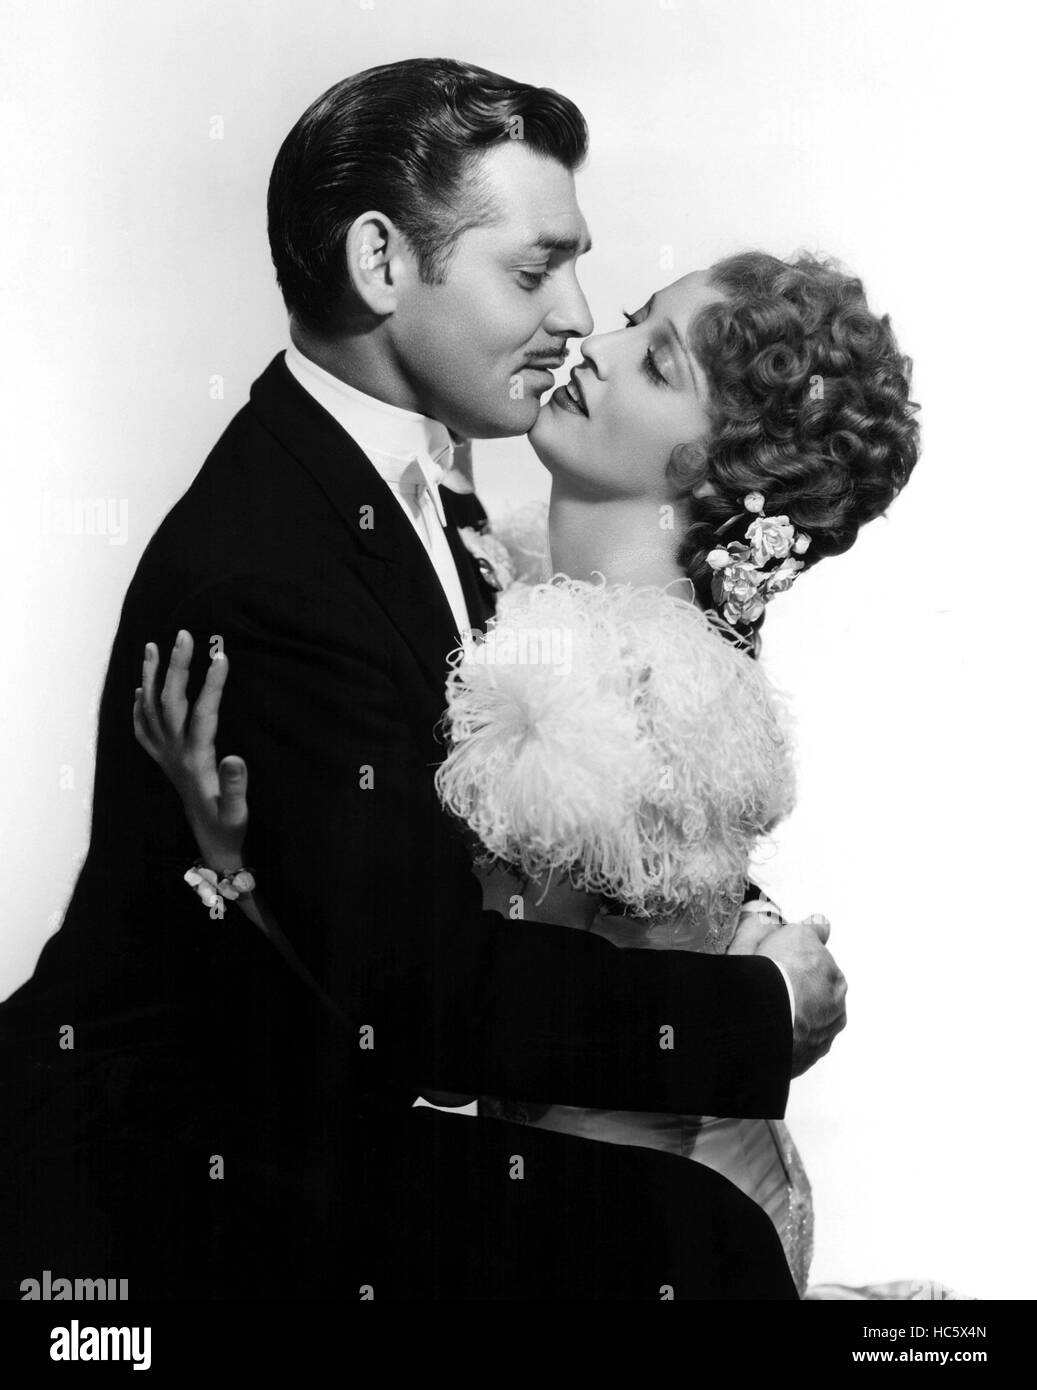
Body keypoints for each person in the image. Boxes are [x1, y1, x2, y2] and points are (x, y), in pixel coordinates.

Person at [0, 60, 845, 1301]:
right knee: (676, 1239)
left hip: (334, 1080)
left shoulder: (443, 491)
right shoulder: (266, 570)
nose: (576, 316)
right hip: (164, 1154)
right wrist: (756, 1013)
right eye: (530, 268)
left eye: (578, 268)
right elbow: (422, 993)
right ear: (382, 264)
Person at [134, 252, 917, 1296]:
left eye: (654, 363)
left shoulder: (623, 689)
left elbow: (436, 1011)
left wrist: (235, 863)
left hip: (616, 1231)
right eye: (634, 320)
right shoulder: (531, 609)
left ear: (727, 476)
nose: (591, 345)